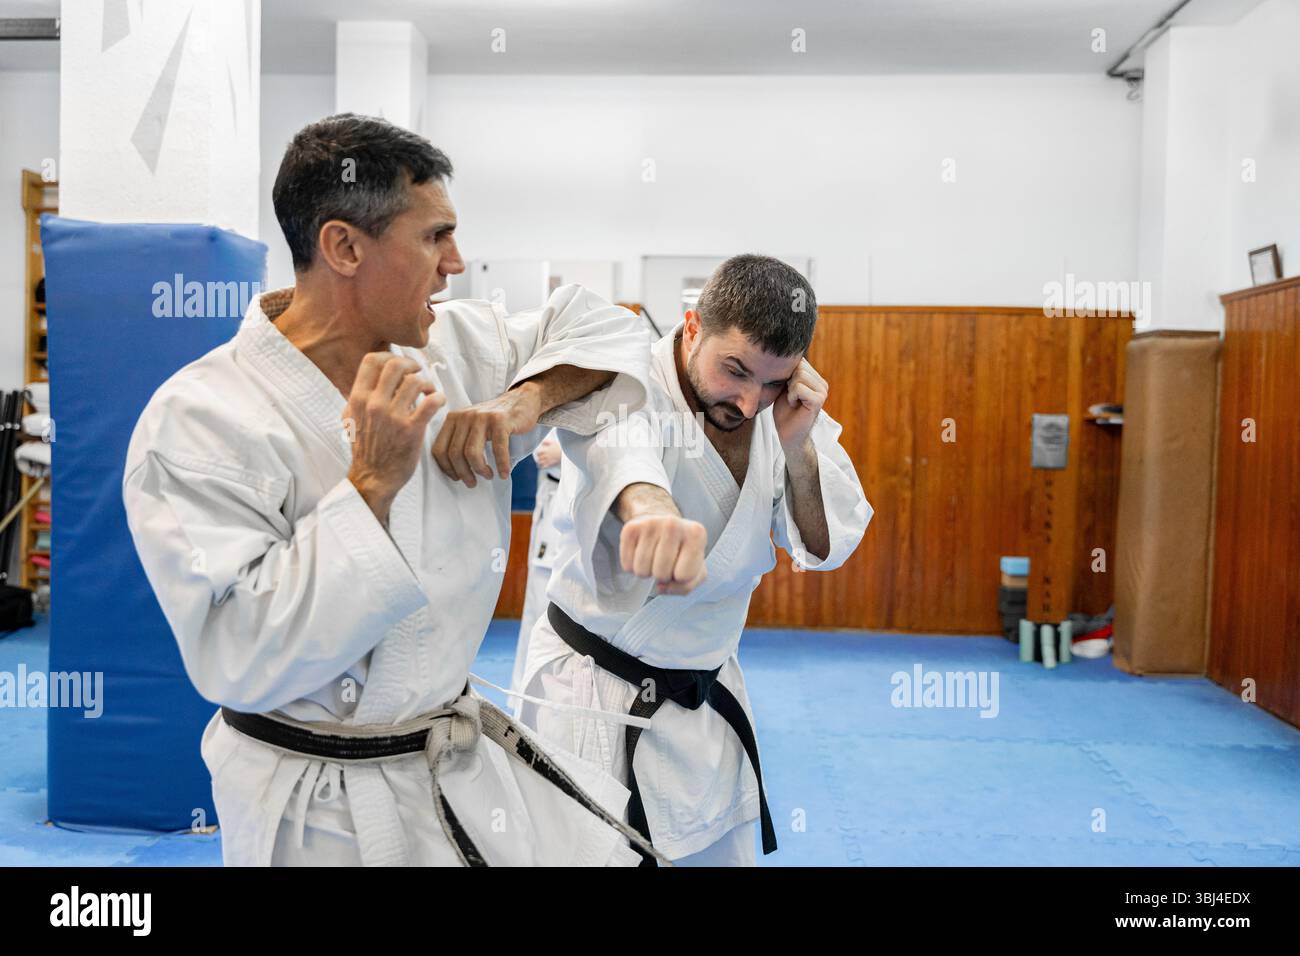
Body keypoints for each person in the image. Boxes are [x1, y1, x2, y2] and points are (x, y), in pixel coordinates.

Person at [122, 113, 662, 867]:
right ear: (344, 245)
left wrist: (523, 402)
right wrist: (370, 483)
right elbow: (238, 655)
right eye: (434, 236)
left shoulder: (458, 347)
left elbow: (609, 330)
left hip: (447, 764)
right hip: (311, 809)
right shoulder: (202, 419)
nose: (457, 262)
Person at [518, 254, 872, 866]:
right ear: (691, 327)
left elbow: (822, 545)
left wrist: (797, 451)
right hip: (593, 695)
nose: (747, 399)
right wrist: (651, 513)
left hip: (705, 696)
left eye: (771, 381)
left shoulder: (782, 414)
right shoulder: (632, 383)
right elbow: (621, 452)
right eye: (734, 370)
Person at [509, 429, 563, 705]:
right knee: (535, 615)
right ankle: (522, 699)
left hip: (578, 527)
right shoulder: (548, 407)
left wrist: (563, 456)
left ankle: (551, 700)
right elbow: (540, 453)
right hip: (547, 525)